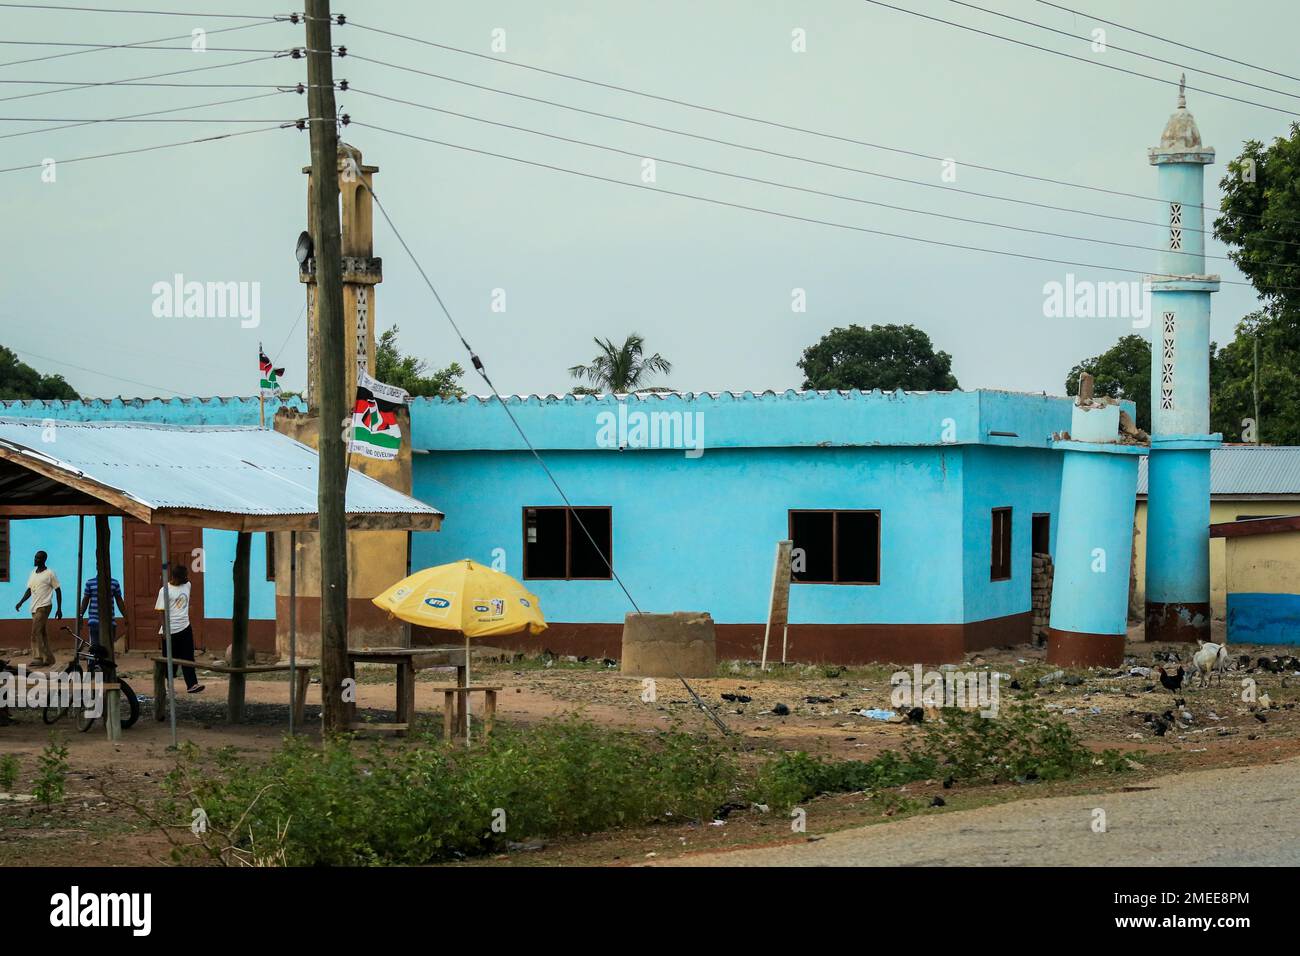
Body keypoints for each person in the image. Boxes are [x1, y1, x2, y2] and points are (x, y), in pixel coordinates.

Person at [155, 565, 203, 694]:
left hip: (185, 627)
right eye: (184, 576)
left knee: (188, 657)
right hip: (171, 630)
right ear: (176, 577)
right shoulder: (164, 590)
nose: (187, 579)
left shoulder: (187, 585)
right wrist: (164, 631)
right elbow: (161, 612)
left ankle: (192, 684)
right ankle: (169, 685)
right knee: (170, 659)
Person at [14, 551, 61, 668]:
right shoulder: (33, 573)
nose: (35, 560)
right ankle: (49, 658)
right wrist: (21, 602)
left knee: (35, 632)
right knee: (42, 632)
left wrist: (59, 609)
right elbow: (29, 590)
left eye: (38, 558)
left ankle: (38, 657)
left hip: (44, 606)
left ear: (44, 560)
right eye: (35, 557)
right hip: (34, 607)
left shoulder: (50, 573)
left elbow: (58, 590)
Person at [79, 574, 127, 649]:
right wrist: (81, 615)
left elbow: (119, 600)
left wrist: (126, 616)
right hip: (94, 622)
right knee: (95, 649)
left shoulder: (114, 583)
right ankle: (94, 661)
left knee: (108, 650)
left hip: (110, 623)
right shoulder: (90, 583)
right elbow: (85, 600)